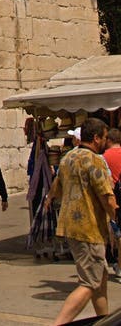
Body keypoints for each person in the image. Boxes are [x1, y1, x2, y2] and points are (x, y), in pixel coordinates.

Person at [45, 117, 117, 325]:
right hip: (90, 229)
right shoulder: (94, 160)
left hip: (71, 226)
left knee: (99, 280)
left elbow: (55, 190)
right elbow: (107, 196)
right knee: (89, 284)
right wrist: (116, 217)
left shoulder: (68, 157)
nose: (105, 141)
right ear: (96, 138)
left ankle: (104, 321)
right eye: (104, 137)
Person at [104, 128, 121, 278]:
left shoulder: (104, 157)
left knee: (115, 233)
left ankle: (117, 263)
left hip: (113, 198)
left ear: (109, 140)